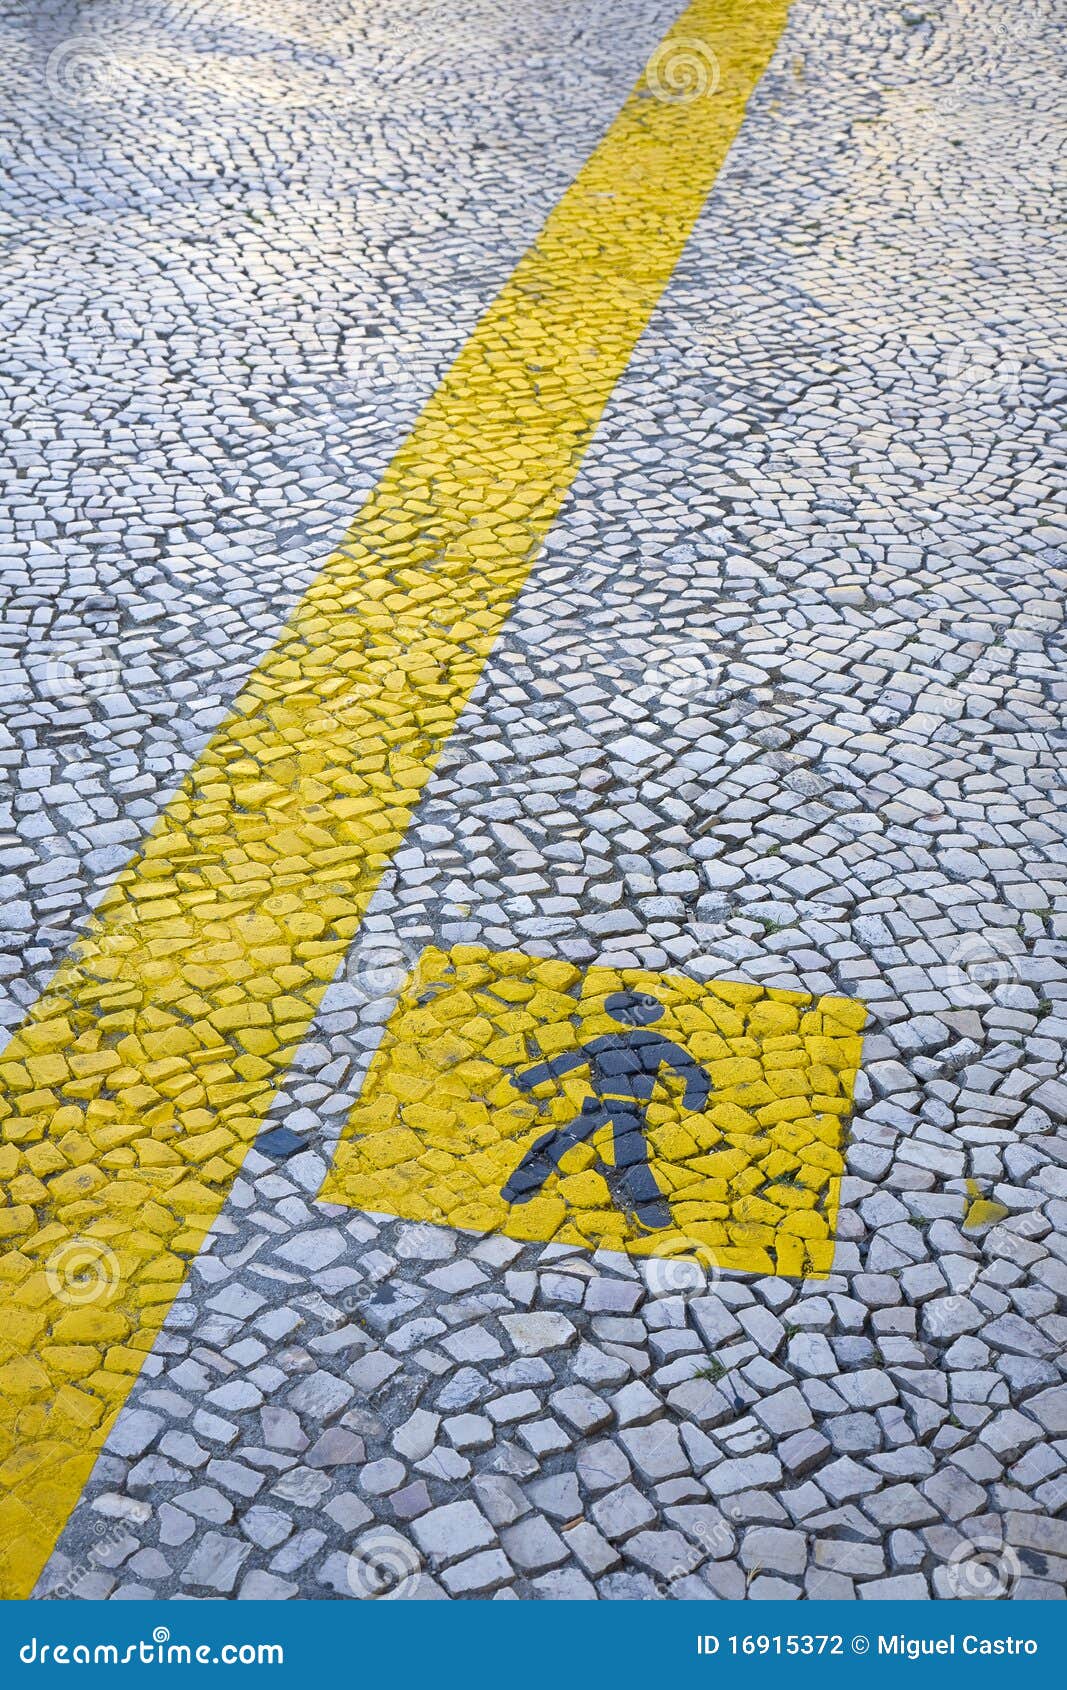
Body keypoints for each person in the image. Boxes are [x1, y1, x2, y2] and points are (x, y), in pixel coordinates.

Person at [500, 991, 711, 1230]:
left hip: (619, 1109)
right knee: (600, 1146)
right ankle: (646, 1206)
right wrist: (693, 1098)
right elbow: (692, 1075)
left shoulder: (636, 1043)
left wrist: (530, 1077)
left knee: (591, 1143)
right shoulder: (650, 1043)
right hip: (611, 1106)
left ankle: (645, 1206)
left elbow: (572, 1060)